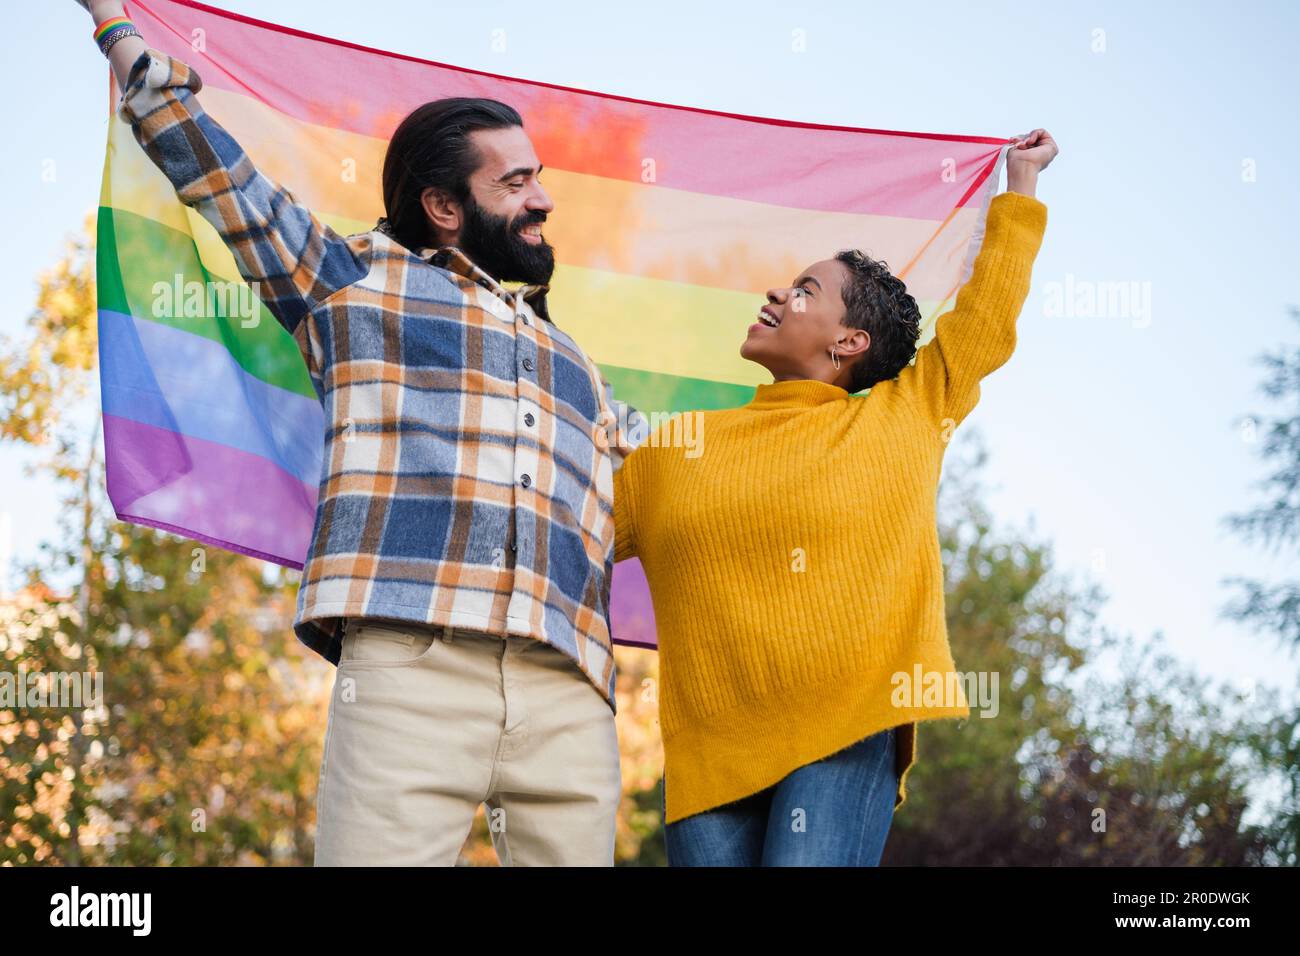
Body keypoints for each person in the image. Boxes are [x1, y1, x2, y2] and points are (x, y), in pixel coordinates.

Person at [73, 0, 644, 865]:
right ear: (445, 208)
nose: (545, 199)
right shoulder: (351, 283)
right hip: (409, 670)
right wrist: (114, 19)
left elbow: (694, 470)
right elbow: (225, 182)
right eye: (517, 183)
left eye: (539, 177)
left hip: (568, 693)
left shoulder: (578, 369)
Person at [613, 130, 1057, 865]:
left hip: (843, 730)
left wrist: (1022, 183)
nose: (776, 293)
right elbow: (564, 535)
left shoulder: (906, 416)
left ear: (850, 341)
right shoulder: (675, 448)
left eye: (804, 290)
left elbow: (986, 319)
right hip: (708, 762)